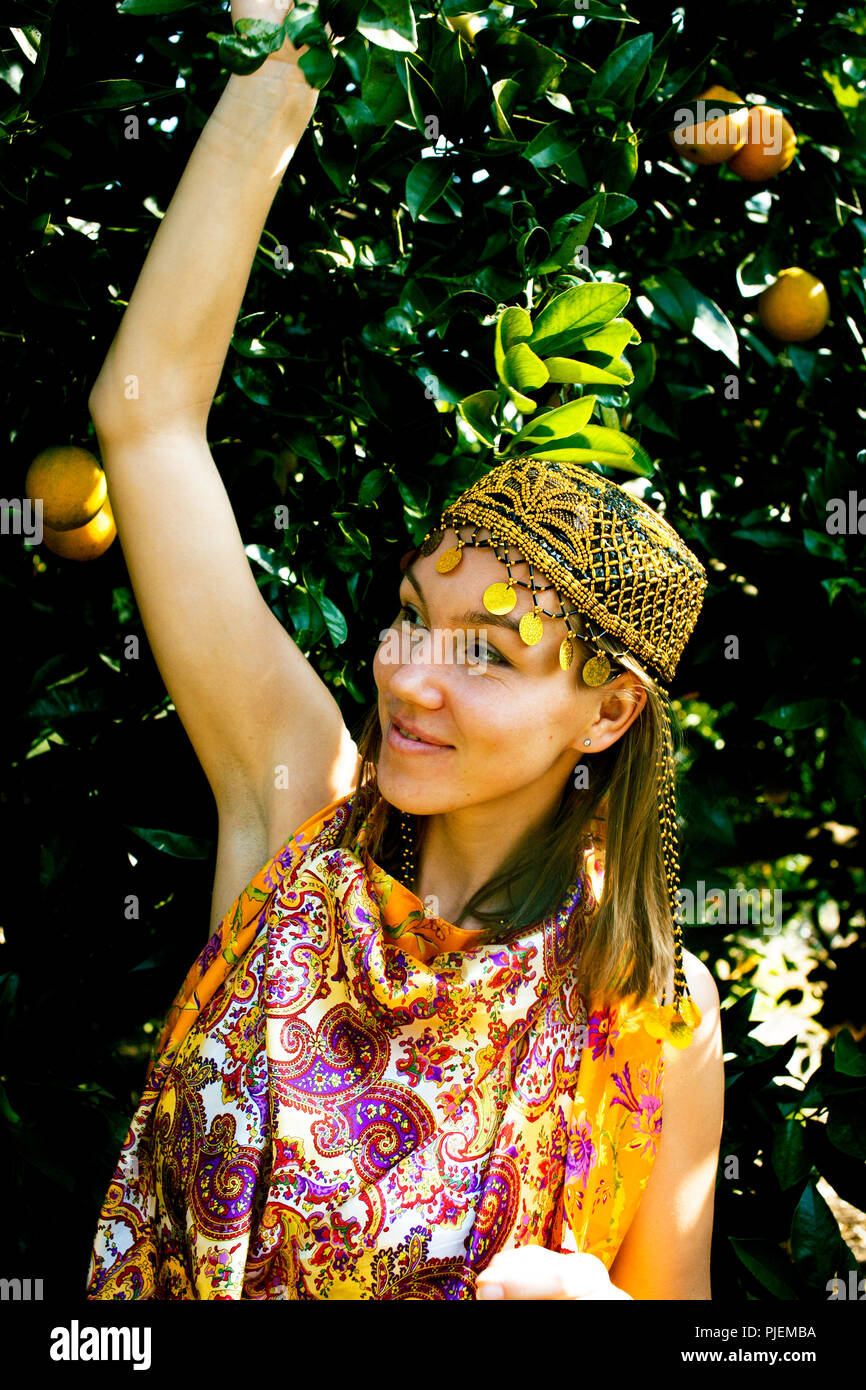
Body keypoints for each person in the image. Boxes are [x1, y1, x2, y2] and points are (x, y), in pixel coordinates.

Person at [84, 2, 724, 1301]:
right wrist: (290, 53)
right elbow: (145, 420)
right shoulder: (293, 810)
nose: (406, 673)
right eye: (410, 616)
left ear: (603, 715)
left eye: (486, 654)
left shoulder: (652, 1014)